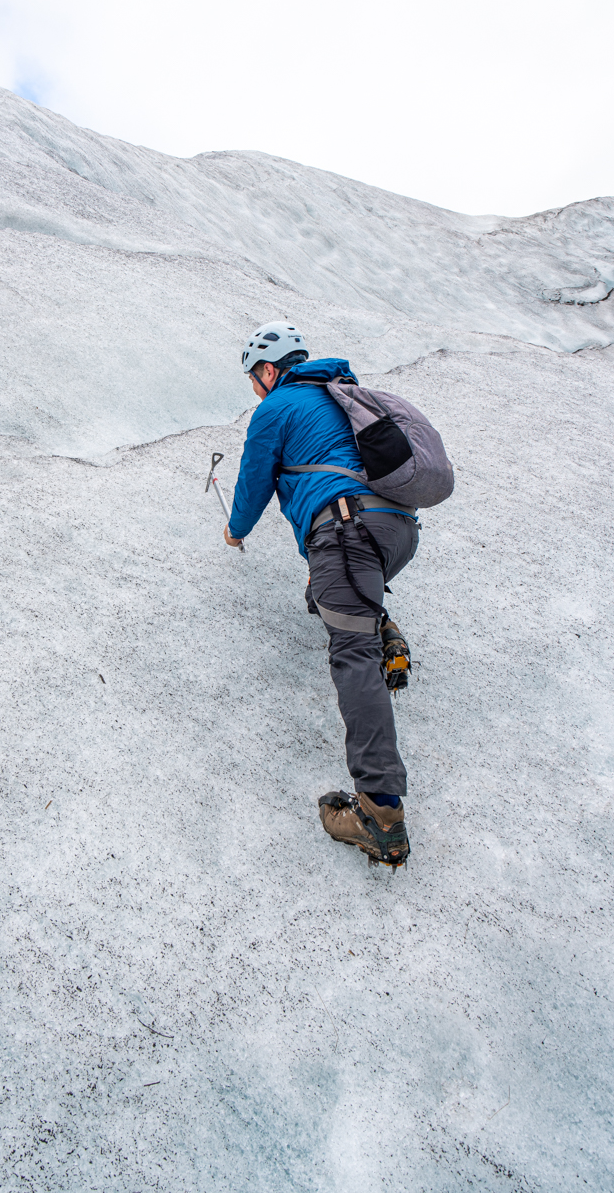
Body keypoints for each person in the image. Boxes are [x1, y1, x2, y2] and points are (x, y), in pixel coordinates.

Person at [224, 322, 420, 867]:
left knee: (351, 654)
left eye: (254, 377)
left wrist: (235, 530)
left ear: (269, 370)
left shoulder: (278, 406)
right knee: (328, 592)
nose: (255, 389)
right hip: (396, 532)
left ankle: (380, 815)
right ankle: (380, 627)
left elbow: (254, 481)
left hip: (346, 530)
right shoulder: (343, 394)